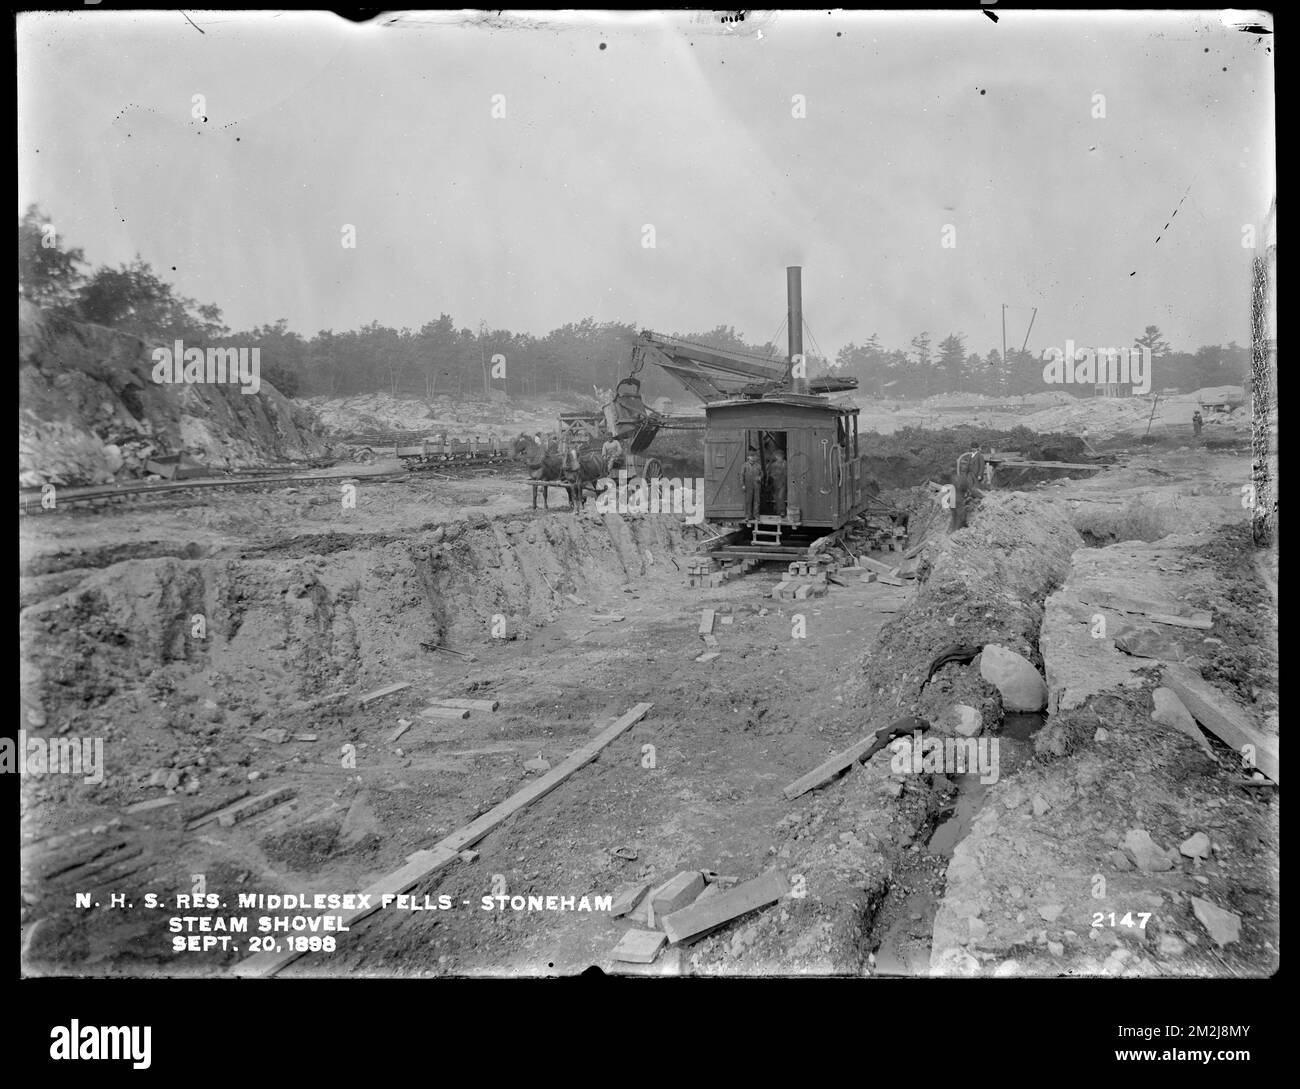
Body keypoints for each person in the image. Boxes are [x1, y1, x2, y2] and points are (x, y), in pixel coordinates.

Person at [742, 449, 762, 522]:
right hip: (748, 485)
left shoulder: (758, 466)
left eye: (754, 456)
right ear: (748, 457)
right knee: (748, 501)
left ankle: (756, 516)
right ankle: (748, 516)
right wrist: (743, 484)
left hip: (757, 485)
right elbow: (741, 475)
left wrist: (760, 477)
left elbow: (762, 474)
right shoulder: (744, 465)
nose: (753, 457)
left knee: (757, 501)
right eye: (751, 456)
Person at [767, 447, 788, 517]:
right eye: (778, 456)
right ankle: (778, 511)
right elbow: (770, 474)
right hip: (775, 483)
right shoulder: (773, 465)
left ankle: (782, 511)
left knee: (781, 497)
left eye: (780, 456)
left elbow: (788, 474)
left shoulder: (786, 464)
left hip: (783, 483)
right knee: (776, 497)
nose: (779, 457)